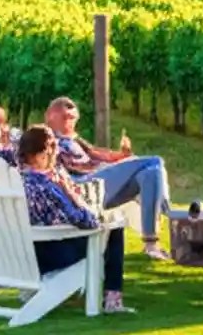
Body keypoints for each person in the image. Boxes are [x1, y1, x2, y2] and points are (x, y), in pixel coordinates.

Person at [15, 125, 132, 314]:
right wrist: (72, 195)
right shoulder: (48, 186)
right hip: (54, 255)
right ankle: (112, 300)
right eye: (54, 150)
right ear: (44, 153)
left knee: (108, 227)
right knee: (114, 228)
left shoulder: (16, 181)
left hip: (26, 255)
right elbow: (88, 222)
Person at [45, 97, 173, 260]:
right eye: (65, 118)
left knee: (151, 173)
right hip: (81, 187)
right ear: (50, 116)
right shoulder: (47, 136)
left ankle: (151, 244)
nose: (70, 123)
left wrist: (122, 155)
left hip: (97, 183)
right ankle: (170, 212)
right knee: (155, 161)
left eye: (73, 118)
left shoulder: (75, 140)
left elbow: (98, 154)